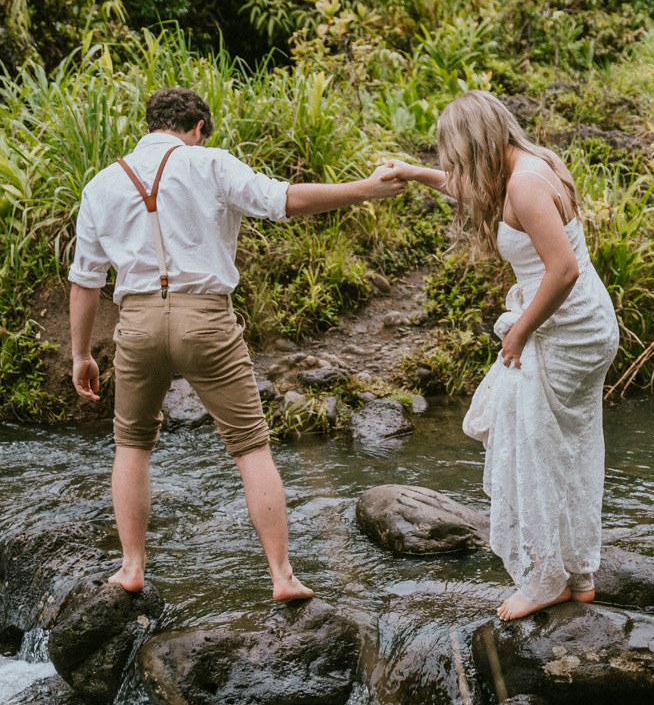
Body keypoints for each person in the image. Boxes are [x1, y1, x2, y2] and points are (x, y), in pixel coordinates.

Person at [67, 86, 406, 601]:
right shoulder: (210, 163)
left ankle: (132, 567)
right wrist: (364, 189)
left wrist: (81, 354)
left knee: (131, 445)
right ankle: (282, 577)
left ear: (149, 125)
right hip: (206, 318)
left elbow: (85, 280)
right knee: (250, 446)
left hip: (136, 324)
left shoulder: (102, 184)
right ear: (198, 128)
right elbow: (284, 200)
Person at [382, 92, 620, 620]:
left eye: (454, 153)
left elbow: (563, 270)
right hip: (583, 324)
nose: (453, 164)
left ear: (474, 143)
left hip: (566, 330)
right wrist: (415, 173)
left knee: (530, 450)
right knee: (566, 449)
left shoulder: (524, 184)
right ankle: (578, 574)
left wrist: (518, 334)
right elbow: (468, 187)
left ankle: (546, 581)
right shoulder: (528, 162)